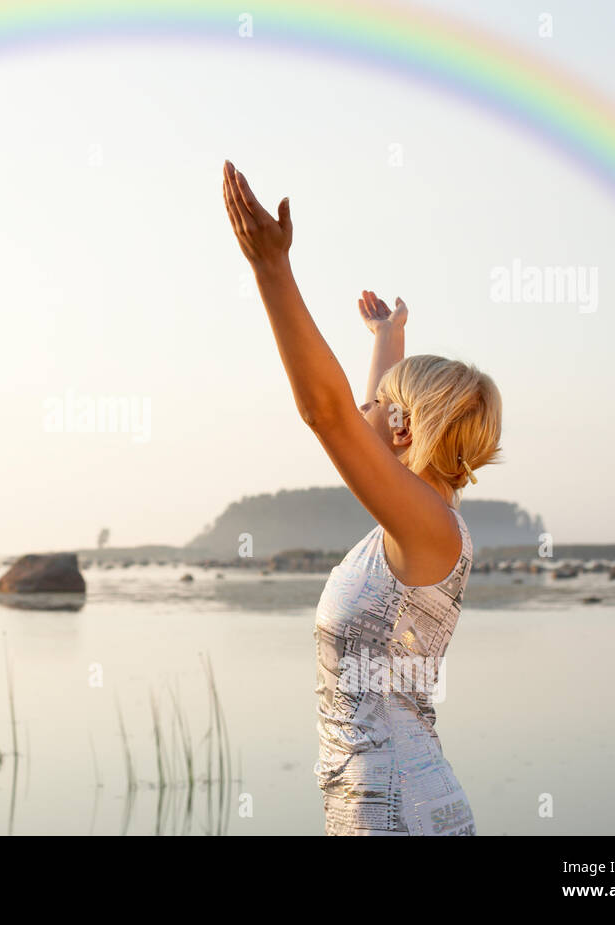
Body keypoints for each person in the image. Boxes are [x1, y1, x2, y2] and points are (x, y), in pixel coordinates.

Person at [221, 161, 502, 835]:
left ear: (404, 425)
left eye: (380, 403)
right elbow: (364, 424)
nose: (363, 407)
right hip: (376, 803)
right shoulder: (409, 526)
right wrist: (387, 338)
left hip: (400, 810)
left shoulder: (429, 528)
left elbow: (329, 414)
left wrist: (271, 271)